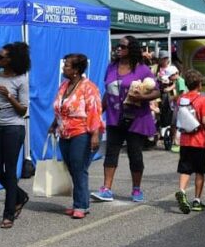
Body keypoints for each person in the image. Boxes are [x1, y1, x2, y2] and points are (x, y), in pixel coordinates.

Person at [92, 36, 159, 203]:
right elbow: (109, 92)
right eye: (117, 45)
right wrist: (99, 111)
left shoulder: (142, 69)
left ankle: (136, 189)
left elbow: (157, 92)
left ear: (131, 49)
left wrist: (143, 96)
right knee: (111, 152)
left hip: (136, 118)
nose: (118, 48)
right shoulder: (112, 67)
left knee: (134, 154)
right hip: (115, 118)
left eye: (122, 46)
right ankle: (106, 189)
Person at [49, 53, 102, 220]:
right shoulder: (64, 86)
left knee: (79, 168)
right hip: (64, 133)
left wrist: (94, 135)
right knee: (72, 169)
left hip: (82, 133)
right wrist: (54, 124)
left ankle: (81, 205)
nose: (64, 68)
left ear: (76, 70)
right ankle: (79, 201)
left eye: (67, 66)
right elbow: (61, 107)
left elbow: (94, 111)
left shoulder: (88, 87)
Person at [0, 42, 30, 229]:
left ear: (11, 60)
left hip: (14, 128)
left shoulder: (21, 79)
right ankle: (20, 195)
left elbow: (23, 110)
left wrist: (10, 96)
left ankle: (8, 213)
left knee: (10, 170)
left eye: (0, 57)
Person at [175, 70, 205, 213]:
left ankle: (182, 191)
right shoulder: (203, 100)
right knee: (199, 171)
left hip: (185, 140)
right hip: (199, 141)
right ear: (199, 84)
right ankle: (197, 200)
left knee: (185, 169)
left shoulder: (181, 99)